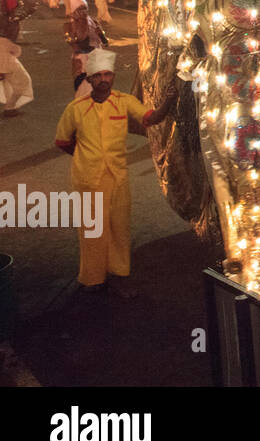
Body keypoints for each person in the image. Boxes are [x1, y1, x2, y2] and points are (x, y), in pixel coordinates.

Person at [53, 48, 178, 295]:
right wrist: (85, 158)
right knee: (92, 230)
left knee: (119, 227)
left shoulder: (123, 102)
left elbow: (151, 117)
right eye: (97, 76)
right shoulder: (76, 109)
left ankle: (119, 273)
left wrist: (169, 101)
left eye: (107, 75)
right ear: (89, 79)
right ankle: (92, 278)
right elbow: (62, 141)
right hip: (88, 179)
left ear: (113, 77)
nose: (103, 80)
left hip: (117, 176)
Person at [0, 0, 34, 117]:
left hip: (5, 54)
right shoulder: (7, 20)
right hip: (4, 55)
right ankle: (9, 108)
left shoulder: (8, 18)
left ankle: (10, 108)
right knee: (23, 81)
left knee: (10, 83)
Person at [65, 0, 107, 93]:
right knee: (82, 85)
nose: (84, 11)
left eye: (85, 8)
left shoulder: (93, 21)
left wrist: (101, 34)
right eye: (80, 9)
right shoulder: (70, 25)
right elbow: (75, 41)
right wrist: (82, 25)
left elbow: (104, 41)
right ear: (74, 11)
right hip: (82, 58)